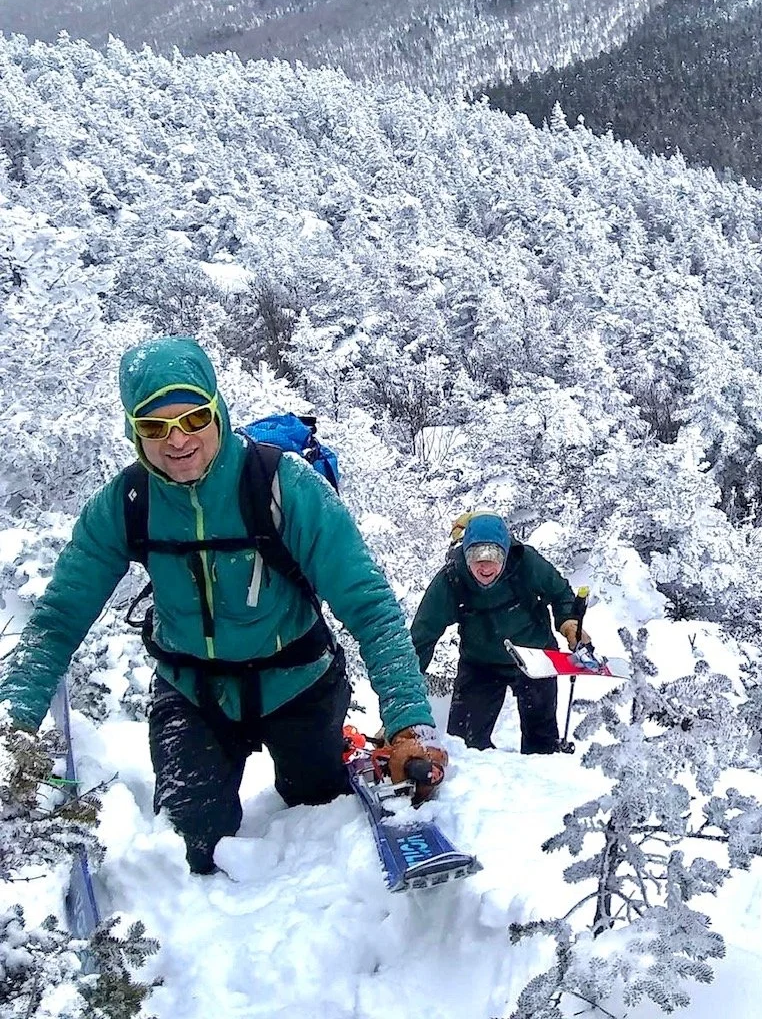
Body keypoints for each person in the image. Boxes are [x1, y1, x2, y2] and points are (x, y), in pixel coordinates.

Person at [0, 337, 445, 875]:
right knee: (189, 849)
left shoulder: (284, 485)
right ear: (133, 431)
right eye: (154, 427)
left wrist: (409, 725)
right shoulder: (126, 504)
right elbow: (57, 619)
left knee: (319, 817)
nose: (177, 440)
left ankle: (337, 752)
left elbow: (370, 607)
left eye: (192, 419)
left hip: (297, 684)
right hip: (194, 693)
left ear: (218, 410)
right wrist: (11, 728)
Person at [411, 513, 588, 754]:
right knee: (462, 746)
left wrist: (569, 623)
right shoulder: (451, 580)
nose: (485, 567)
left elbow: (560, 594)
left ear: (506, 552)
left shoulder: (526, 563)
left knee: (542, 745)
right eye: (476, 556)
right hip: (481, 664)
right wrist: (404, 697)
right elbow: (422, 637)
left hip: (535, 658)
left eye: (493, 556)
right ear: (465, 553)